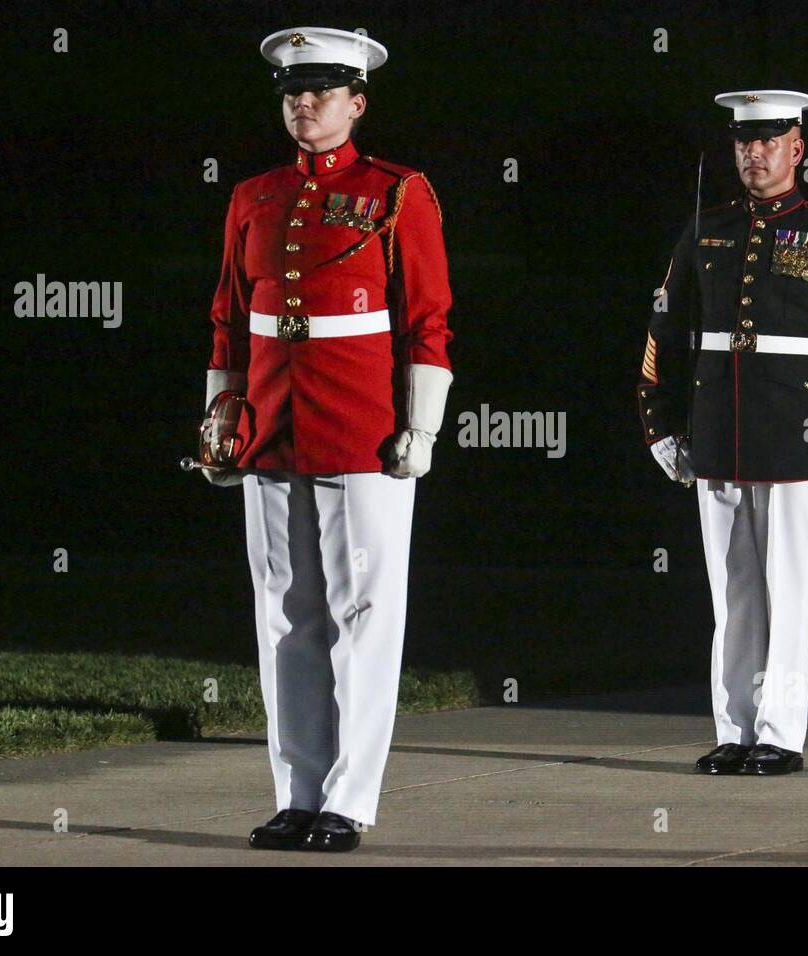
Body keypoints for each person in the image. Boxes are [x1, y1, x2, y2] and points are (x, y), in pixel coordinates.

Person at [200, 26, 454, 849]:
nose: (303, 104)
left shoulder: (398, 191)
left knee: (367, 613)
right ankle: (296, 790)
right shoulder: (255, 195)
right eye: (291, 92)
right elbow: (230, 320)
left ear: (357, 102)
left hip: (364, 429)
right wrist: (223, 412)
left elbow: (427, 318)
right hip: (274, 427)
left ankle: (349, 798)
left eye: (320, 91)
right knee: (285, 615)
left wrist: (420, 424)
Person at [638, 90, 808, 775]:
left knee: (791, 591)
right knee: (733, 593)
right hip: (716, 433)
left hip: (791, 435)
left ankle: (779, 733)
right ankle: (734, 728)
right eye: (745, 142)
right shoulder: (705, 228)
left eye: (769, 141)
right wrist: (659, 422)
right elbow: (665, 327)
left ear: (797, 149)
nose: (755, 153)